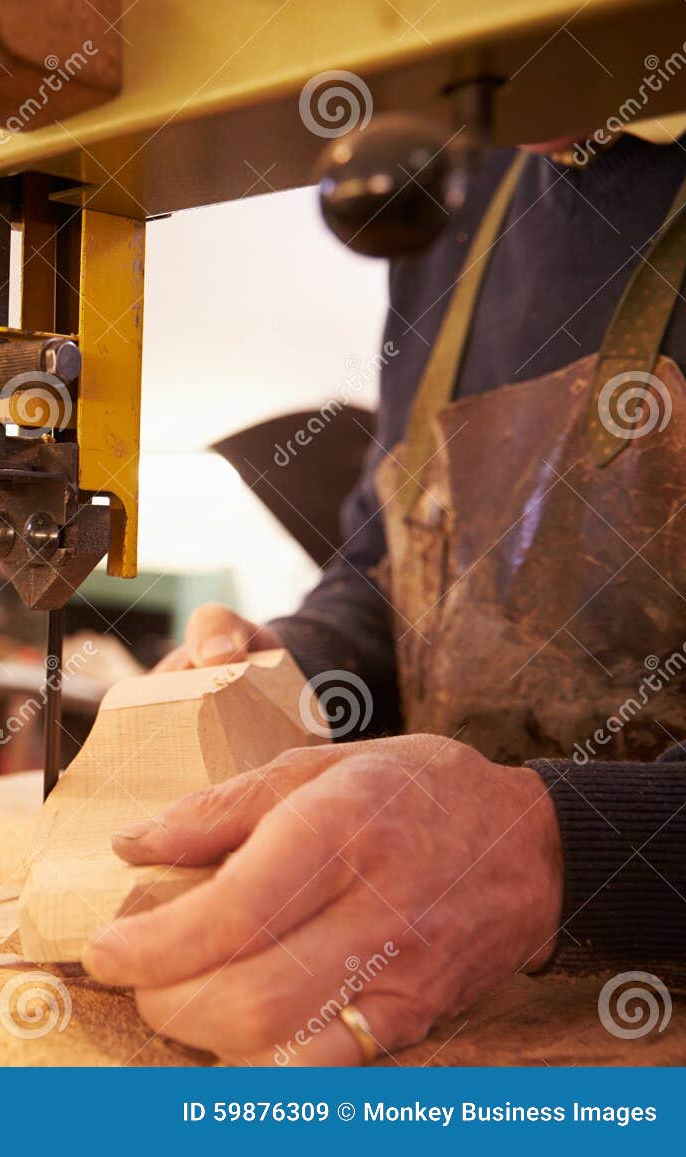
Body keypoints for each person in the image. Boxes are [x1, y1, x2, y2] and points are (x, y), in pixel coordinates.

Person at [85, 131, 686, 1064]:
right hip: (466, 997)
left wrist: (549, 851)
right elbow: (384, 562)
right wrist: (289, 672)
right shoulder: (459, 184)